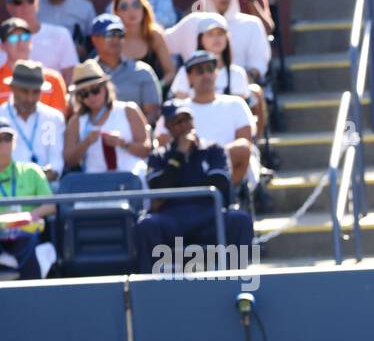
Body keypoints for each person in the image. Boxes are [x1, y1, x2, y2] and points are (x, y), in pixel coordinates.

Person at [135, 99, 254, 274]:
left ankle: (237, 279)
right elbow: (159, 191)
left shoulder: (214, 150)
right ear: (168, 127)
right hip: (173, 219)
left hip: (208, 216)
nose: (184, 126)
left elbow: (220, 184)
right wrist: (178, 157)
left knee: (240, 220)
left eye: (187, 119)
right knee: (146, 226)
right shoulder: (159, 157)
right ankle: (148, 287)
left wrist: (179, 183)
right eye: (178, 122)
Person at [170, 50, 259, 189]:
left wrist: (212, 158)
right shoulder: (177, 109)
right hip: (187, 169)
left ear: (216, 73)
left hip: (224, 168)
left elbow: (245, 141)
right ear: (189, 77)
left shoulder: (236, 103)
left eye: (210, 69)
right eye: (199, 71)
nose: (206, 75)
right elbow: (164, 141)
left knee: (242, 147)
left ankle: (227, 197)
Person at [167, 0, 270, 86]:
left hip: (242, 91)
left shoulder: (252, 24)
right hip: (195, 95)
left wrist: (240, 82)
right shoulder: (192, 22)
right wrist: (169, 73)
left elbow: (258, 63)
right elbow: (162, 43)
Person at [62, 60, 150, 176]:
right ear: (79, 97)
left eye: (95, 90)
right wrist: (86, 142)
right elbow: (69, 160)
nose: (91, 97)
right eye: (84, 93)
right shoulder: (76, 121)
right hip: (95, 184)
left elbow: (146, 150)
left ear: (106, 88)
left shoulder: (129, 110)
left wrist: (123, 143)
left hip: (130, 180)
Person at [0, 119, 56, 279]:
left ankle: (30, 292)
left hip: (25, 231)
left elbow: (51, 205)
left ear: (14, 142)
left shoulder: (31, 171)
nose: (3, 143)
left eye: (7, 138)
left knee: (29, 240)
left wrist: (28, 217)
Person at [87, 14, 162, 126]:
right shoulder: (84, 74)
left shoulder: (142, 71)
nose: (116, 39)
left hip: (134, 140)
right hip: (93, 139)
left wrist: (132, 135)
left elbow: (152, 112)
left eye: (120, 34)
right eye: (110, 34)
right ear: (94, 39)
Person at [1, 59, 65, 183]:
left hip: (44, 186)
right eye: (25, 91)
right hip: (5, 187)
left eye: (36, 92)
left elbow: (56, 163)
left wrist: (38, 179)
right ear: (12, 88)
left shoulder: (53, 118)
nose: (30, 98)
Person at [5, 0, 77, 84]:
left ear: (37, 3)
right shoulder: (3, 40)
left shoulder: (61, 35)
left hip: (54, 98)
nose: (25, 6)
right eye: (18, 1)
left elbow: (71, 76)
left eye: (30, 0)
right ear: (9, 7)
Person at [112, 0, 175, 88]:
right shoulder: (113, 39)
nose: (131, 11)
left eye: (136, 5)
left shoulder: (154, 35)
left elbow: (170, 72)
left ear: (144, 8)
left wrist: (157, 88)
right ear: (117, 13)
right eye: (124, 7)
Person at [0, 18, 68, 113]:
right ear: (2, 46)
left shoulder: (53, 79)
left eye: (25, 37)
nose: (21, 43)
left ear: (31, 41)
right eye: (13, 38)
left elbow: (57, 122)